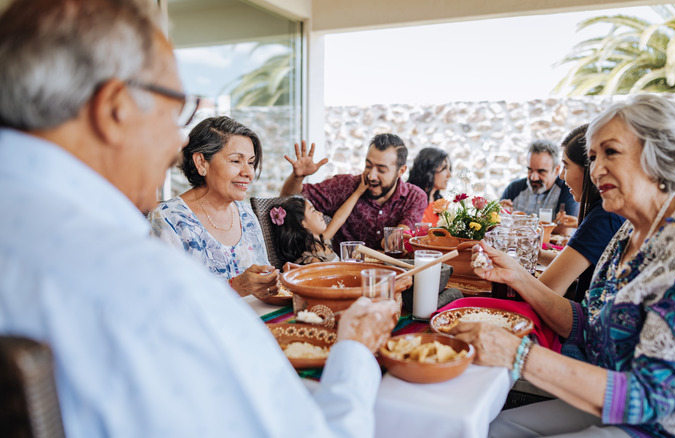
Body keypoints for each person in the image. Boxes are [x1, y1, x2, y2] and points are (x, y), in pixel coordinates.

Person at [0, 1, 397, 436]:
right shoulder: (148, 285)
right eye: (176, 113)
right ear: (115, 108)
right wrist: (356, 348)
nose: (176, 145)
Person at [454, 95, 675, 437]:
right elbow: (588, 326)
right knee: (500, 427)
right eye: (593, 157)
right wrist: (517, 275)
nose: (596, 169)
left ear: (660, 153)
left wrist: (518, 356)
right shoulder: (632, 227)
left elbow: (651, 395)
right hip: (624, 402)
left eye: (611, 152)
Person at [149, 116, 278, 299]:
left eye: (250, 162)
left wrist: (278, 278)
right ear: (202, 163)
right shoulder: (169, 220)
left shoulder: (246, 215)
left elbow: (261, 278)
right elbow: (165, 299)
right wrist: (234, 287)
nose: (248, 172)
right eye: (236, 161)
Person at [280, 134, 428, 250]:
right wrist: (297, 177)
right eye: (368, 166)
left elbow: (402, 232)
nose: (371, 176)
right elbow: (289, 199)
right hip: (343, 275)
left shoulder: (415, 197)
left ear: (400, 171)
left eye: (381, 169)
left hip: (391, 276)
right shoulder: (343, 186)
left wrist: (396, 236)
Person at [537, 124, 625, 303]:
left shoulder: (605, 215)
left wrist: (512, 271)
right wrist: (533, 253)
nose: (561, 176)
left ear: (590, 169)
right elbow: (572, 263)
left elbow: (546, 292)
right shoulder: (606, 210)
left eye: (566, 166)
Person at [270, 174, 368, 264]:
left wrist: (358, 192)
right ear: (303, 223)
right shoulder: (314, 260)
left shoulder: (323, 240)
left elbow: (339, 218)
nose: (320, 214)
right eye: (313, 211)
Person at [500, 139, 578, 218]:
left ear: (556, 170)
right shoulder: (514, 188)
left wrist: (516, 221)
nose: (533, 178)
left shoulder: (568, 190)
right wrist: (499, 212)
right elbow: (497, 221)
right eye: (530, 170)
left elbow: (565, 229)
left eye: (541, 171)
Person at [406, 147, 452, 225]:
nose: (449, 175)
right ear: (429, 169)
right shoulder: (408, 199)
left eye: (449, 169)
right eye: (444, 168)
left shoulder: (440, 203)